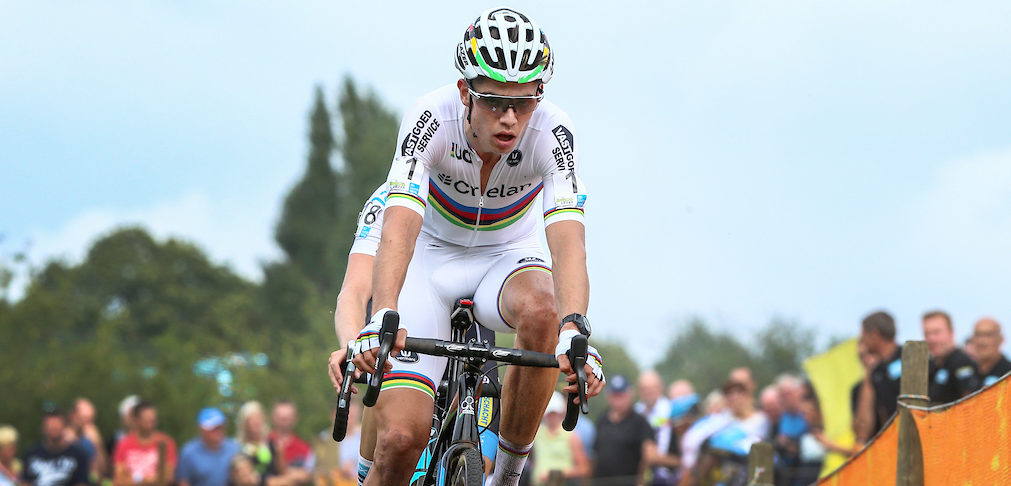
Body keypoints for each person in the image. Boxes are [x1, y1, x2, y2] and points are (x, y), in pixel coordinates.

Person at [339, 8, 605, 485]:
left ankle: (506, 477)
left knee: (544, 312)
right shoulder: (430, 118)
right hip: (429, 261)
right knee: (399, 441)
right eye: (495, 101)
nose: (510, 118)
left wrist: (574, 328)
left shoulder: (554, 132)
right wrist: (384, 313)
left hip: (506, 257)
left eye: (524, 102)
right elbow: (400, 224)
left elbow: (568, 244)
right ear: (465, 91)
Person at [326, 183, 504, 483]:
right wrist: (353, 343)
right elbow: (354, 290)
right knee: (395, 436)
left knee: (482, 458)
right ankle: (366, 472)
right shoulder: (389, 196)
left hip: (470, 318)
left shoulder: (491, 192)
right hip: (410, 311)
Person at [592, 375, 656, 486]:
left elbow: (648, 456)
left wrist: (642, 481)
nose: (618, 400)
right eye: (615, 395)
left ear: (630, 395)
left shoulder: (639, 422)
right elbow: (595, 454)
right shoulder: (602, 420)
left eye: (621, 395)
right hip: (601, 482)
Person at [854, 310, 902, 441]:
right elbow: (863, 429)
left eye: (863, 334)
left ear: (874, 335)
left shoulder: (909, 358)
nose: (862, 339)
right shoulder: (876, 372)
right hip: (892, 442)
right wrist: (868, 374)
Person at [113, 401, 177, 486]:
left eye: (153, 421)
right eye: (145, 421)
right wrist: (149, 479)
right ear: (136, 420)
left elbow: (166, 477)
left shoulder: (165, 443)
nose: (150, 425)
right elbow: (119, 479)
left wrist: (133, 479)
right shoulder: (124, 443)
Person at [530, 392, 589, 485]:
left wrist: (554, 474)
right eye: (549, 413)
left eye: (554, 413)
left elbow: (583, 469)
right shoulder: (537, 434)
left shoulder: (571, 436)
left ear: (560, 412)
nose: (551, 417)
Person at [20, 407, 90, 486]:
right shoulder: (31, 454)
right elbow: (25, 482)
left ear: (64, 426)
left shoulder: (78, 455)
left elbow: (82, 482)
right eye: (50, 425)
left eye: (56, 424)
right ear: (43, 428)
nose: (53, 427)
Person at [922, 310, 980, 403]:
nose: (931, 338)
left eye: (936, 332)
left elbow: (971, 401)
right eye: (927, 334)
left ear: (951, 333)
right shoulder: (930, 365)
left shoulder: (961, 362)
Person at [177, 408, 240, 486]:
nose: (218, 431)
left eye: (220, 427)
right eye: (213, 428)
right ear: (201, 429)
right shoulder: (188, 453)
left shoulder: (234, 449)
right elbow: (183, 481)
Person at [235, 402, 281, 485]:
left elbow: (281, 471)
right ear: (244, 423)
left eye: (258, 417)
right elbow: (245, 479)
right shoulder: (238, 447)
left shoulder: (273, 444)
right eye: (251, 419)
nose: (255, 422)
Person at [268, 401, 313, 485]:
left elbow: (307, 475)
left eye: (287, 417)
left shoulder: (305, 448)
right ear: (272, 418)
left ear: (296, 418)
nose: (284, 420)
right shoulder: (263, 443)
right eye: (280, 417)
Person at [67, 398, 105, 483]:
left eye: (91, 420)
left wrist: (97, 444)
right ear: (73, 416)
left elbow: (101, 475)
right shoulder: (61, 438)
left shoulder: (88, 441)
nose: (89, 424)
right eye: (85, 418)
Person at [972, 317, 1011, 387]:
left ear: (1001, 339)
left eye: (988, 335)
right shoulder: (967, 373)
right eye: (978, 335)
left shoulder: (1008, 375)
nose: (982, 341)